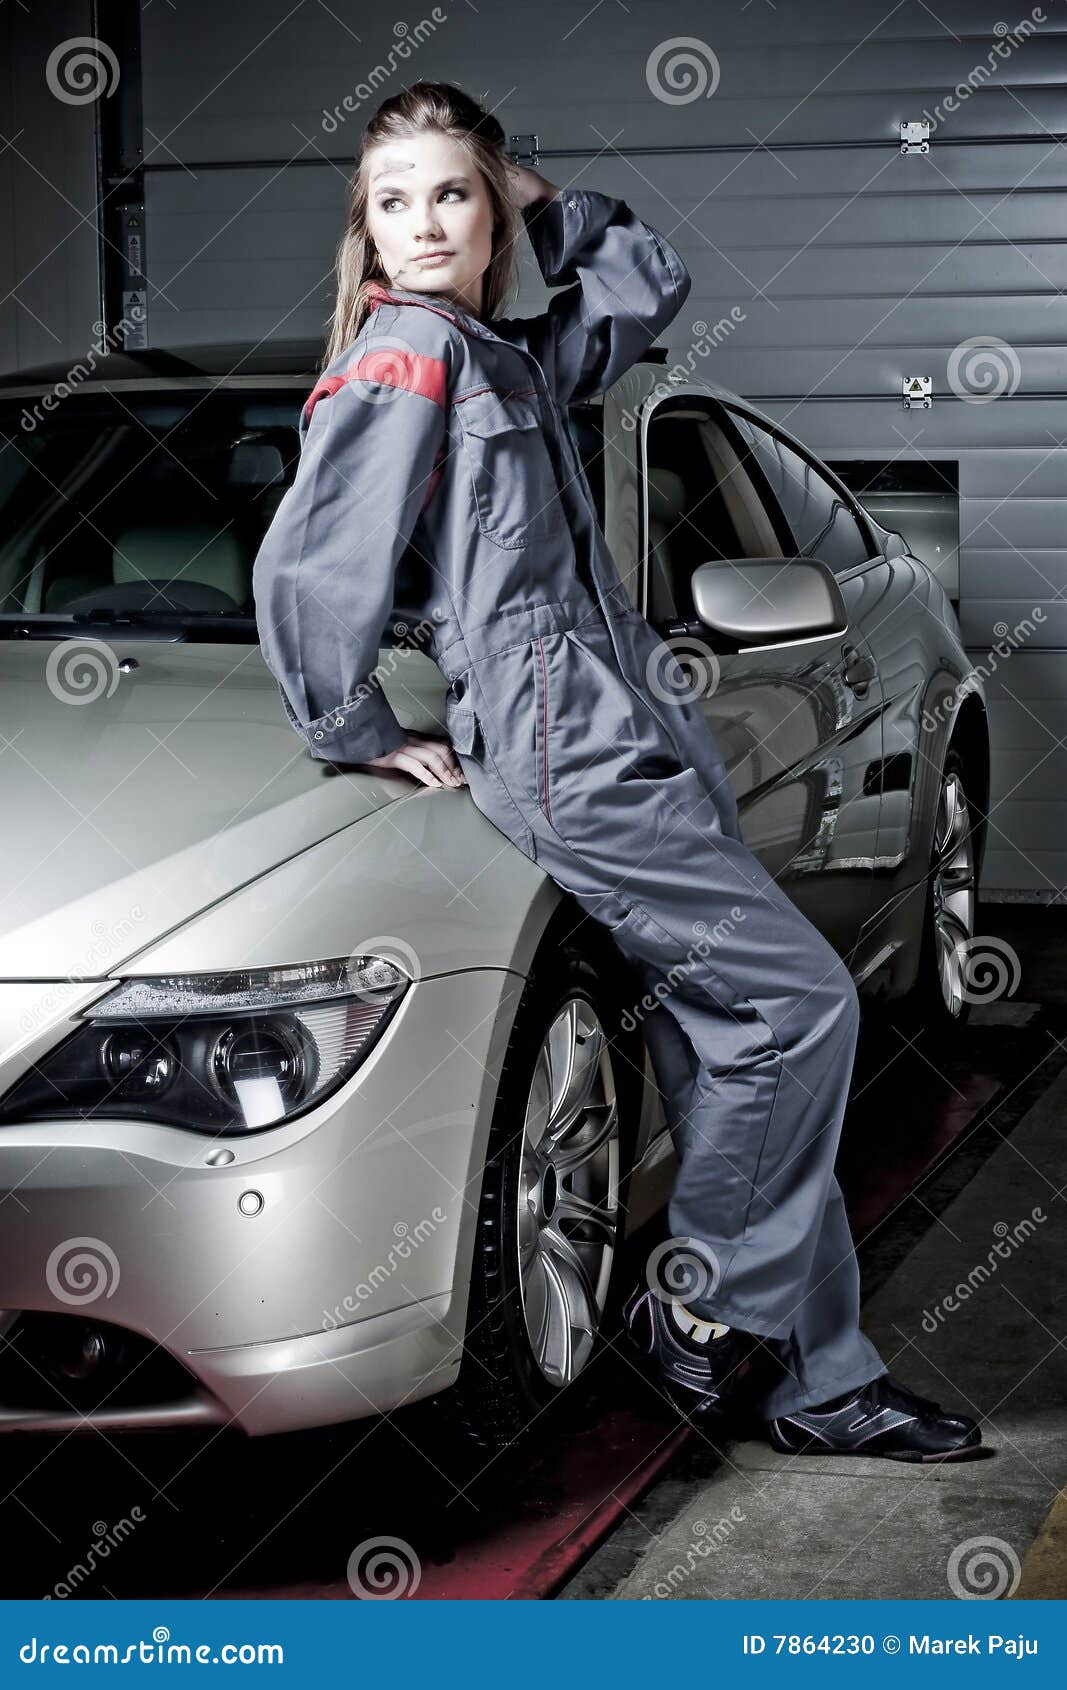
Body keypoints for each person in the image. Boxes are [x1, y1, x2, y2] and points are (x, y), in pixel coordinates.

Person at [251, 80, 983, 1463]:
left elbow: (648, 283)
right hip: (563, 748)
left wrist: (545, 201)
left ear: (494, 209)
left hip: (635, 721)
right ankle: (697, 1311)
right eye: (394, 201)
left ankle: (821, 1376)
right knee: (799, 1007)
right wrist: (352, 725)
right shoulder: (407, 355)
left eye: (454, 194)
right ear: (367, 227)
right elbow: (309, 566)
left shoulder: (509, 355)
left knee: (733, 1051)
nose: (424, 224)